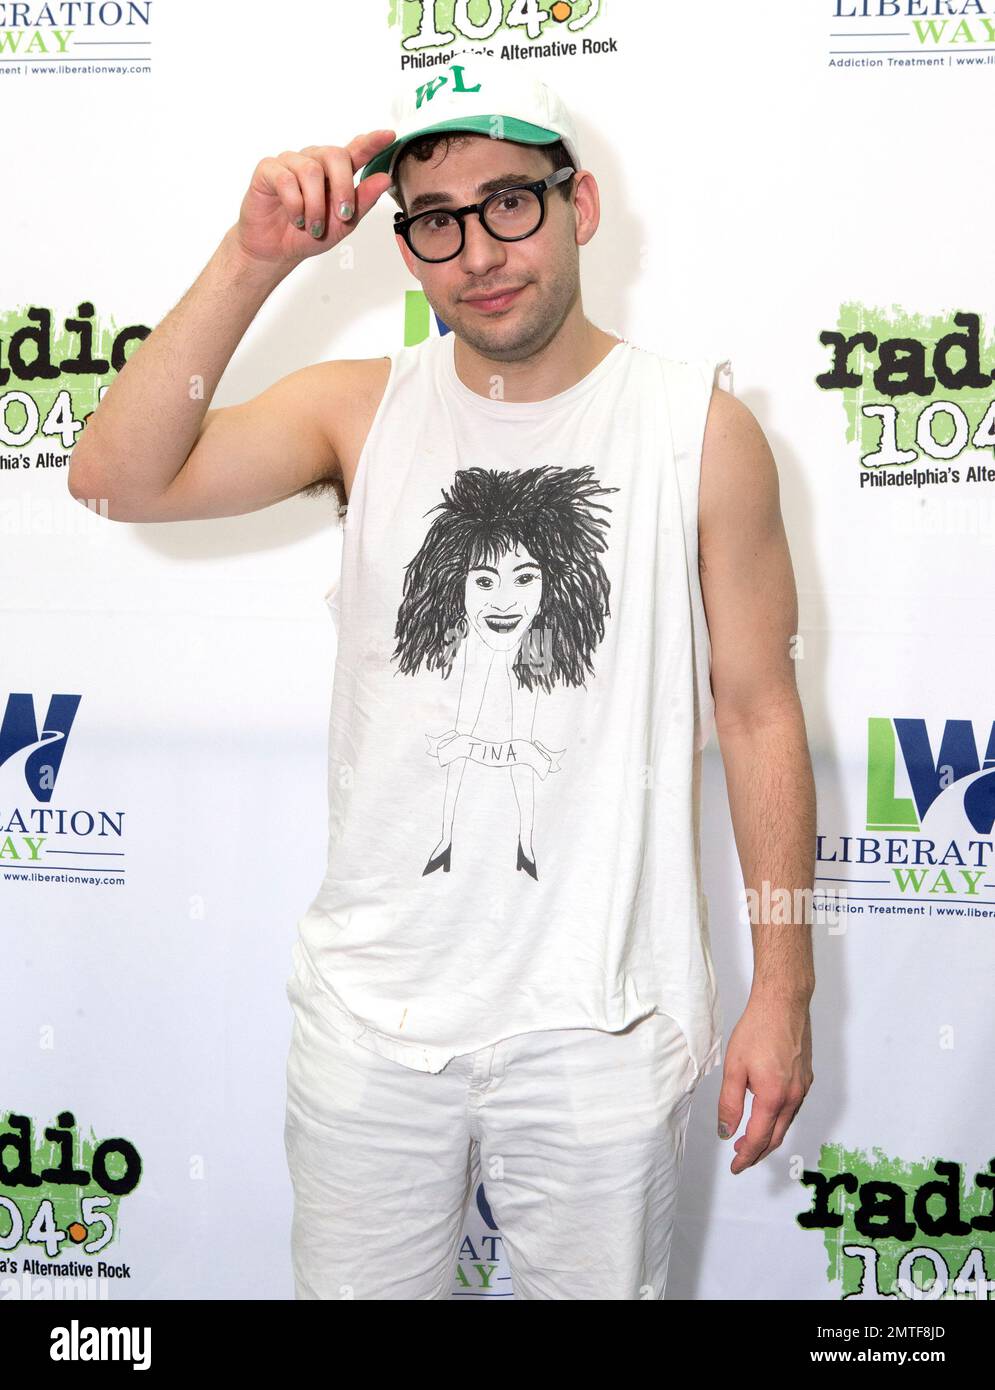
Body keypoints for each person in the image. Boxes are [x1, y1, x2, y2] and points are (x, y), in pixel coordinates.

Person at [67, 60, 817, 1301]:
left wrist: (782, 988)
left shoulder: (695, 429)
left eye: (509, 202)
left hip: (602, 1029)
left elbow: (756, 710)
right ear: (403, 245)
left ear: (577, 207)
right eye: (436, 221)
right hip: (371, 1029)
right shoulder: (356, 414)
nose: (478, 250)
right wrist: (252, 258)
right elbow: (114, 478)